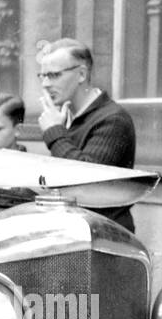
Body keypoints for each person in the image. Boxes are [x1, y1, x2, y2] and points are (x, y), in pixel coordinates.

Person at [36, 37, 139, 229]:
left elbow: (87, 179)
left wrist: (54, 133)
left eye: (54, 75)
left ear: (81, 74)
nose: (45, 84)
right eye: (42, 76)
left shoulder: (113, 119)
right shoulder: (64, 116)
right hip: (77, 230)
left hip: (105, 235)